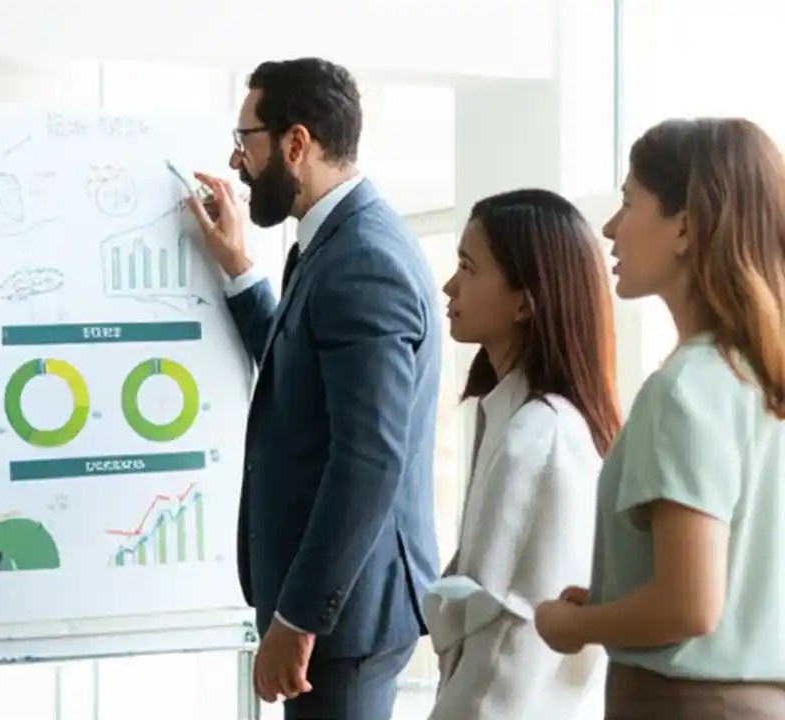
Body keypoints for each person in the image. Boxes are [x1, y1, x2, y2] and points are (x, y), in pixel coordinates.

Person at [185, 57, 440, 719]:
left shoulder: (363, 259)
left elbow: (368, 458)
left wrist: (299, 618)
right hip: (337, 611)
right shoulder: (333, 244)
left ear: (296, 142)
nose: (237, 163)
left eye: (246, 141)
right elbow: (300, 372)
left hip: (342, 618)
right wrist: (239, 269)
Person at [536, 118, 785, 717]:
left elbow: (689, 607)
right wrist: (611, 600)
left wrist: (574, 626)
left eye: (628, 202)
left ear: (686, 225)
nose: (610, 228)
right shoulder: (759, 381)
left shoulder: (688, 388)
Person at [425, 189, 619, 719]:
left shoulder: (538, 433)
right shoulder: (525, 420)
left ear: (525, 302)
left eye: (468, 267)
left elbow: (506, 637)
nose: (449, 285)